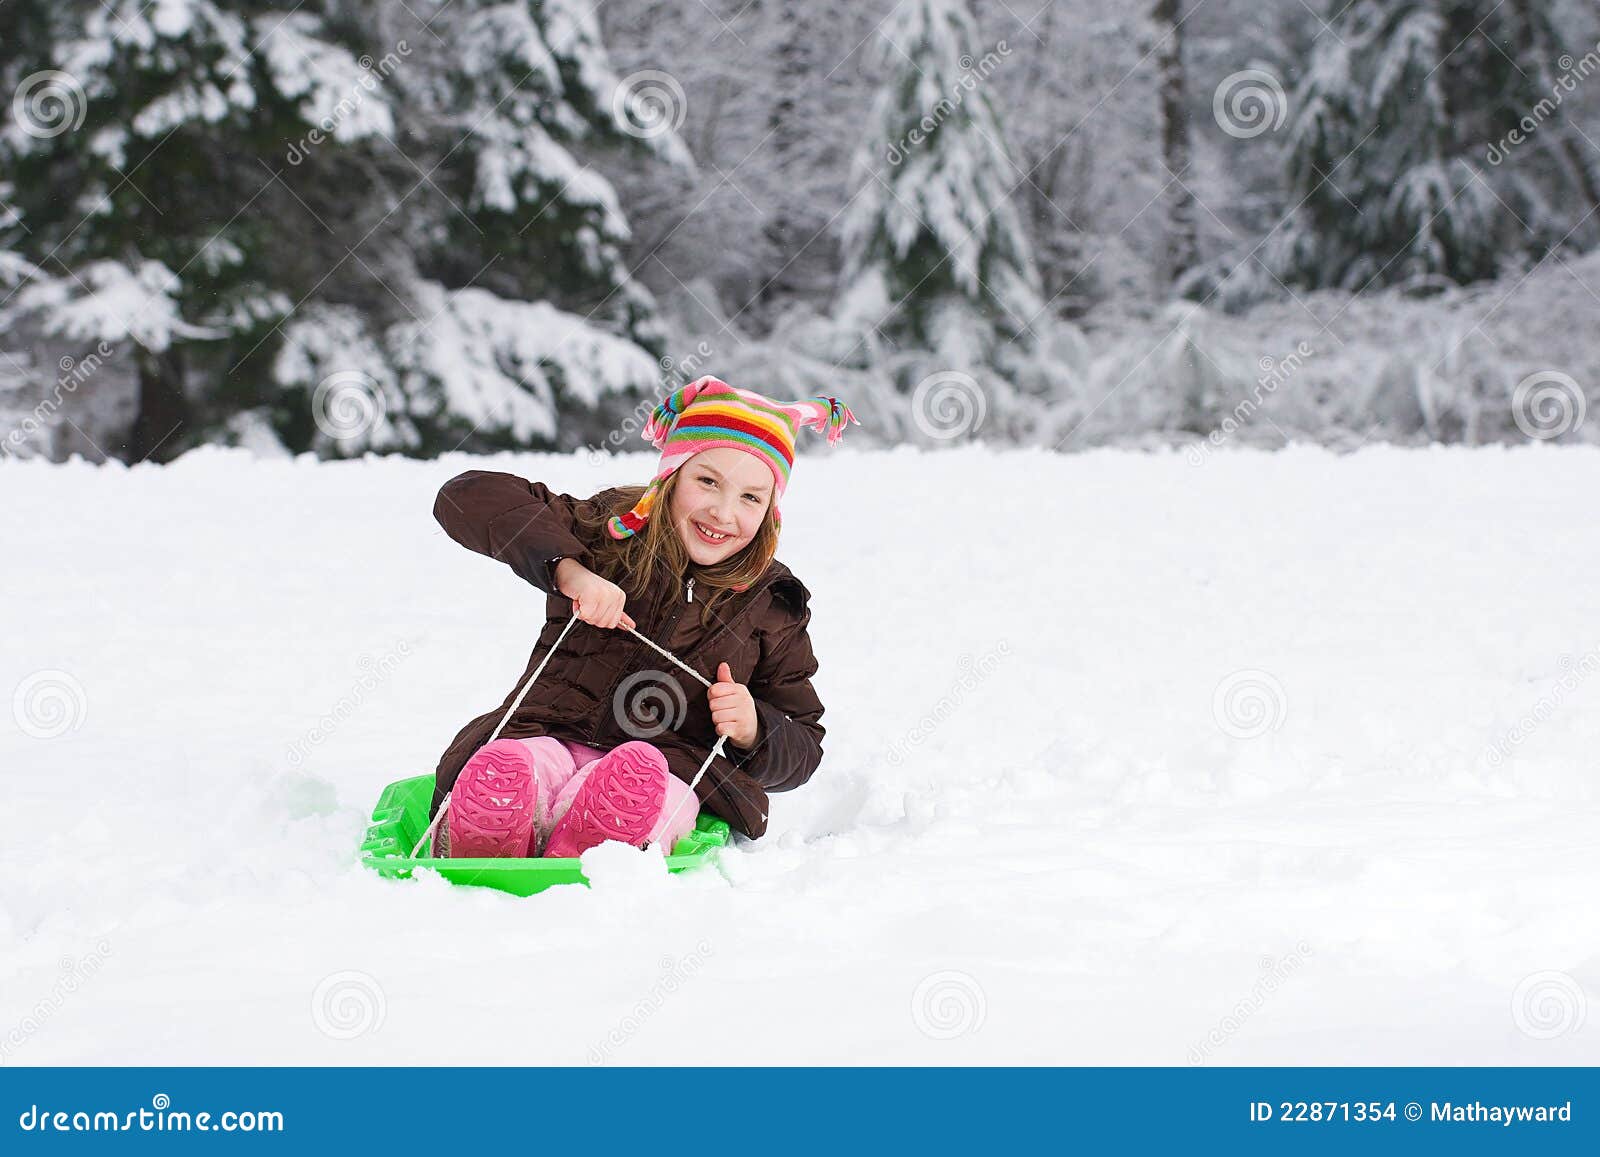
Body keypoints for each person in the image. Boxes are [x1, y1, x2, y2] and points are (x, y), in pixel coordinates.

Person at [427, 376, 858, 859]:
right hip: (547, 731)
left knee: (645, 784)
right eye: (708, 481)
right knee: (519, 764)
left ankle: (599, 840)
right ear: (671, 476)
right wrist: (569, 571)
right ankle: (493, 824)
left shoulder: (772, 603)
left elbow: (803, 743)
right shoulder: (607, 532)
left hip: (672, 767)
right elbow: (467, 495)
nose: (723, 511)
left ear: (770, 513)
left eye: (751, 497)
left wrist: (754, 726)